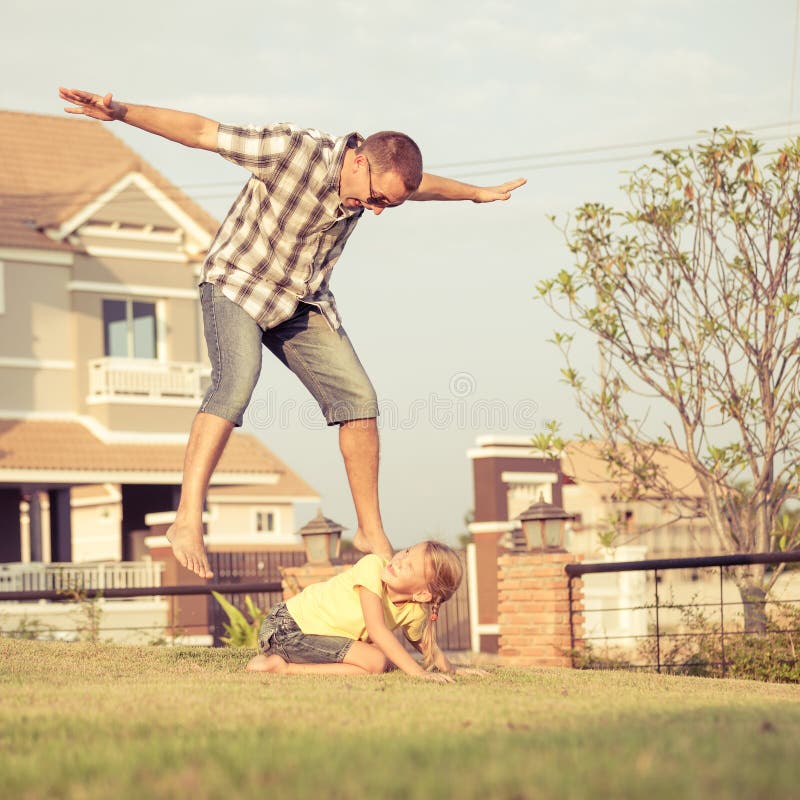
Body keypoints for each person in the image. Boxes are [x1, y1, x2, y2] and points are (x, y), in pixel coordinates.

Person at [59, 87, 526, 579]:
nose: (375, 210)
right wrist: (121, 112)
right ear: (358, 160)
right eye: (375, 199)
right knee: (236, 383)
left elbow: (421, 184)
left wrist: (475, 193)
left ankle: (369, 529)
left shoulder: (377, 180)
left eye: (388, 205)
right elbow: (200, 132)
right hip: (238, 284)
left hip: (300, 301)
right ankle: (187, 519)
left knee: (359, 400)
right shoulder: (290, 151)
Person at [246, 541, 482, 682]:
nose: (399, 558)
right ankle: (282, 667)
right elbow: (376, 629)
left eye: (409, 565)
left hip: (314, 639)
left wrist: (452, 669)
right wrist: (419, 673)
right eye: (407, 551)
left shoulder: (414, 611)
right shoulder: (373, 566)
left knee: (381, 662)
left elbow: (427, 645)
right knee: (379, 658)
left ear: (422, 595)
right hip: (286, 628)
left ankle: (281, 665)